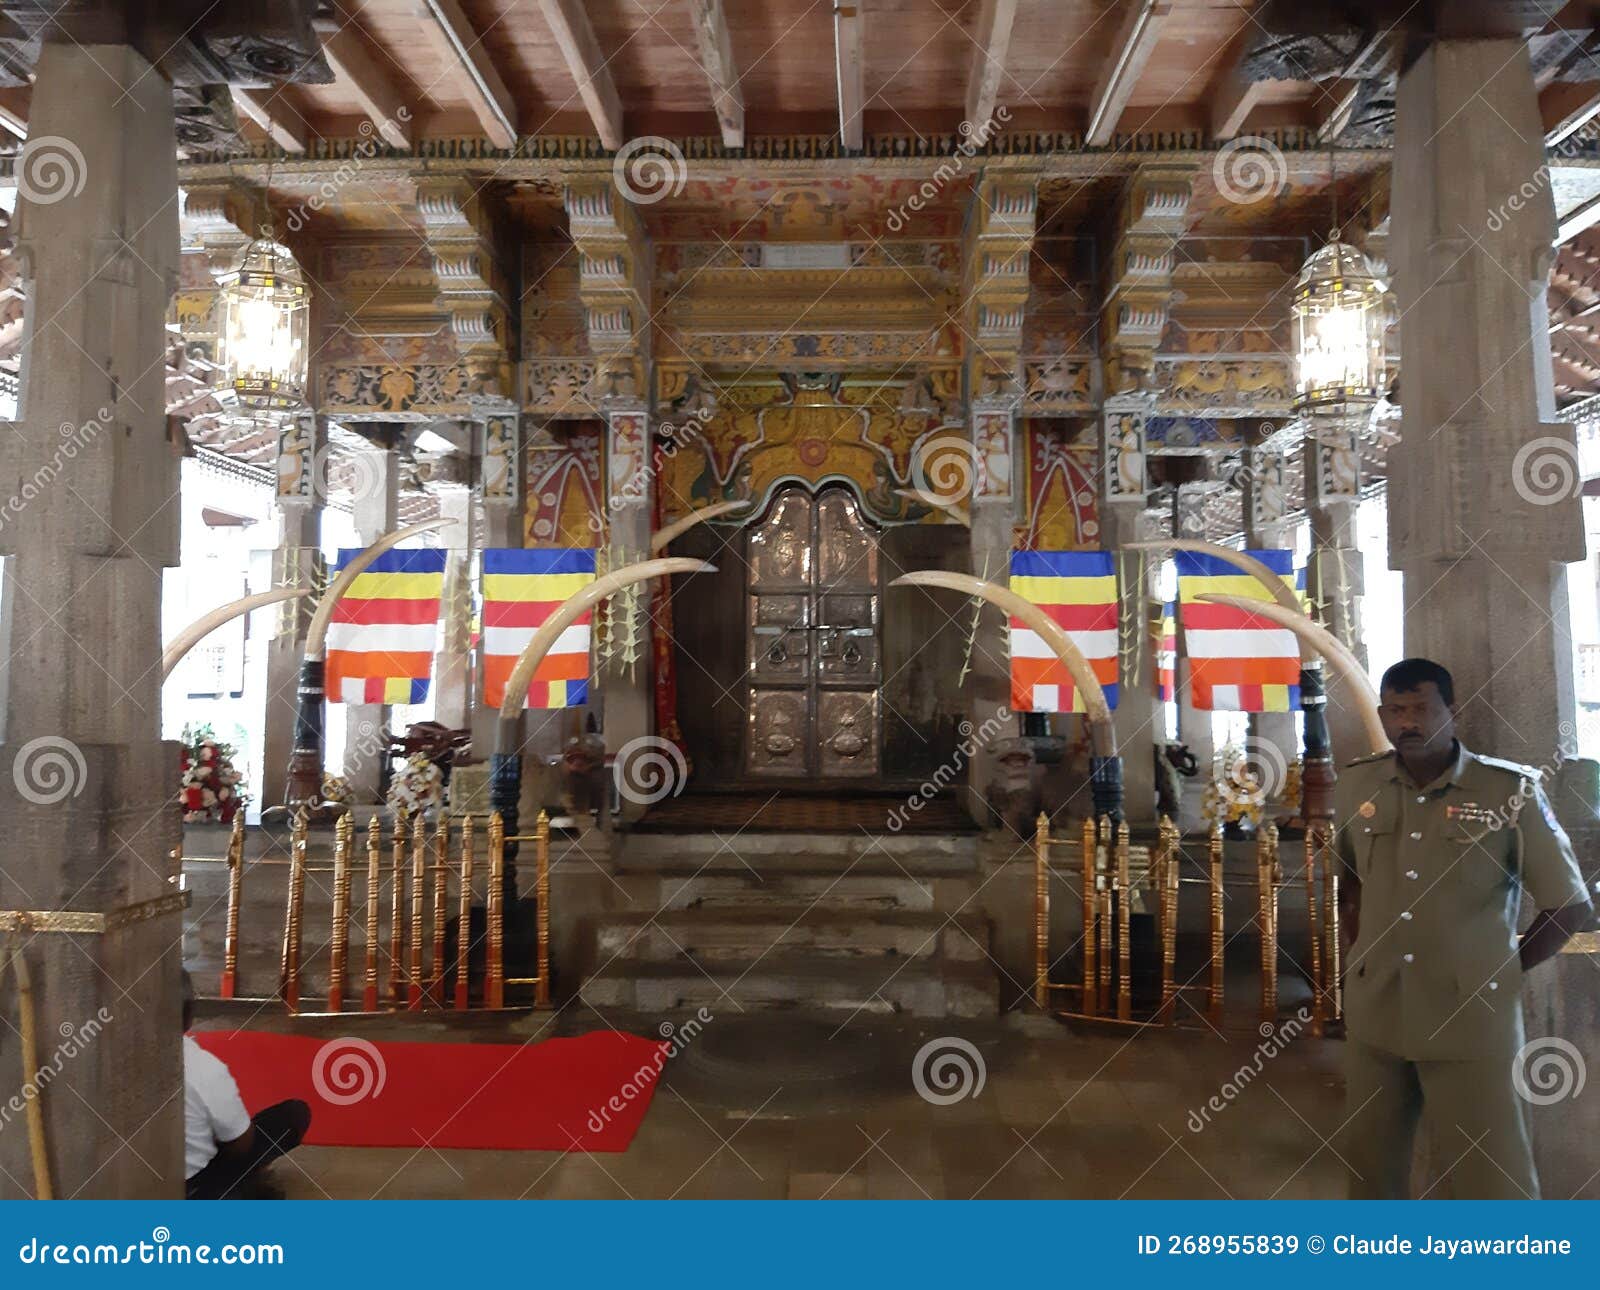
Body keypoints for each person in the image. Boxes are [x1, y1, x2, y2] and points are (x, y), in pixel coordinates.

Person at [1335, 658, 1594, 1198]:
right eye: (1396, 710)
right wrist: (1358, 958)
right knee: (1369, 1172)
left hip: (1470, 1020)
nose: (1408, 722)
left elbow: (1569, 906)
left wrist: (1501, 967)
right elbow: (1349, 882)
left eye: (1422, 709)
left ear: (1453, 712)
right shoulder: (1359, 783)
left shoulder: (1508, 792)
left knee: (1494, 1178)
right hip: (1376, 1013)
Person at [182, 971, 311, 1199]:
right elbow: (240, 1145)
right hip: (192, 1188)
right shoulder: (205, 1067)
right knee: (293, 1114)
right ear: (190, 1012)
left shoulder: (109, 1059)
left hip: (125, 1183)